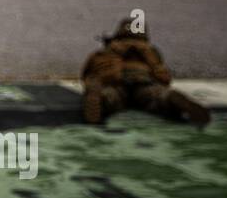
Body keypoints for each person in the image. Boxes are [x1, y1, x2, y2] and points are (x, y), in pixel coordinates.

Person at [81, 19, 209, 125]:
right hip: (143, 79)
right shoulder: (149, 51)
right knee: (155, 96)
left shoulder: (109, 49)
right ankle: (169, 98)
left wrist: (92, 83)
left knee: (111, 96)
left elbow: (88, 71)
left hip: (115, 79)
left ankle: (101, 97)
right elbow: (163, 77)